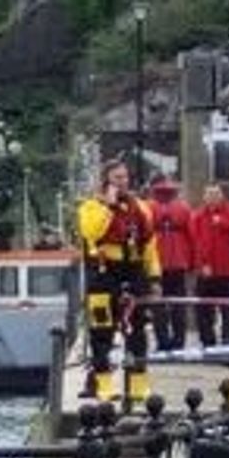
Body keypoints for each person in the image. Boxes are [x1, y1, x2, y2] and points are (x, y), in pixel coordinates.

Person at [76, 159, 160, 401]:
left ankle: (138, 384)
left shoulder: (140, 207)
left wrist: (154, 277)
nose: (123, 182)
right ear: (106, 181)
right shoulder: (90, 207)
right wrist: (108, 206)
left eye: (125, 177)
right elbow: (92, 232)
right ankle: (103, 383)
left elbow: (150, 245)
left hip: (133, 271)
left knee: (137, 330)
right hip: (103, 274)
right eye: (117, 178)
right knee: (101, 330)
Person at [189, 183, 229, 348]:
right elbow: (195, 242)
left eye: (216, 194)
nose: (213, 198)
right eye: (209, 194)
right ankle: (207, 342)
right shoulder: (198, 216)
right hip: (206, 271)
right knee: (204, 310)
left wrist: (222, 223)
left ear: (222, 196)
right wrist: (202, 264)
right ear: (204, 197)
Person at [148, 175, 194, 351]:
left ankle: (163, 342)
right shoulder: (183, 207)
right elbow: (191, 236)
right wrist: (191, 262)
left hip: (156, 262)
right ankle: (179, 342)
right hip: (178, 261)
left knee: (158, 304)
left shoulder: (148, 207)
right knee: (178, 304)